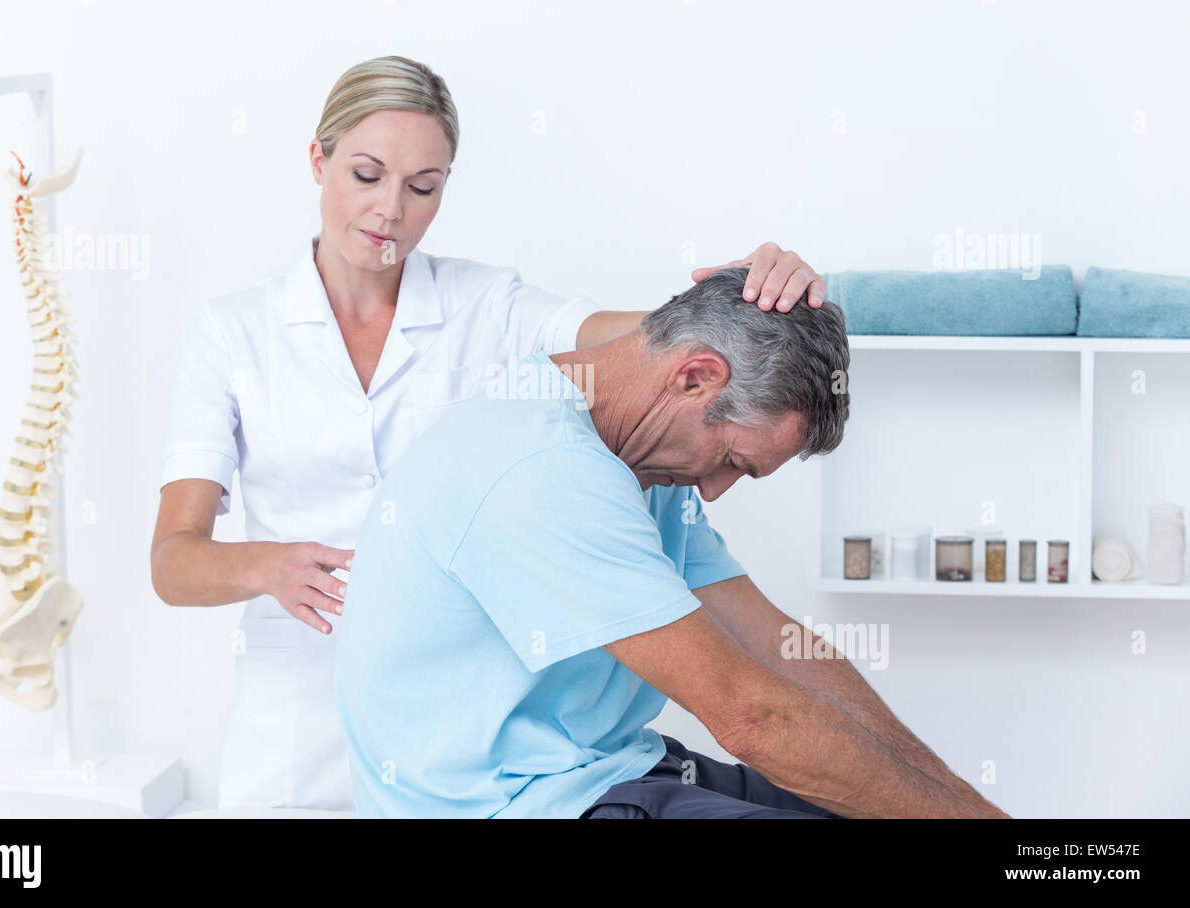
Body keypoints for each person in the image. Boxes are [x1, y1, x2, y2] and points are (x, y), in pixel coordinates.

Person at [149, 55, 830, 811]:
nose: (391, 212)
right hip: (296, 731)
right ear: (319, 160)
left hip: (470, 740)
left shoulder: (487, 307)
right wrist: (268, 566)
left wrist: (749, 298)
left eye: (423, 188)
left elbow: (651, 343)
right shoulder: (233, 331)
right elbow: (172, 562)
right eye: (367, 175)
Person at [335, 268, 1010, 818]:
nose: (713, 492)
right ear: (695, 378)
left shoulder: (631, 448)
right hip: (507, 805)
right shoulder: (542, 468)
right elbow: (751, 716)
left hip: (610, 770)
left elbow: (776, 648)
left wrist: (964, 803)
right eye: (734, 463)